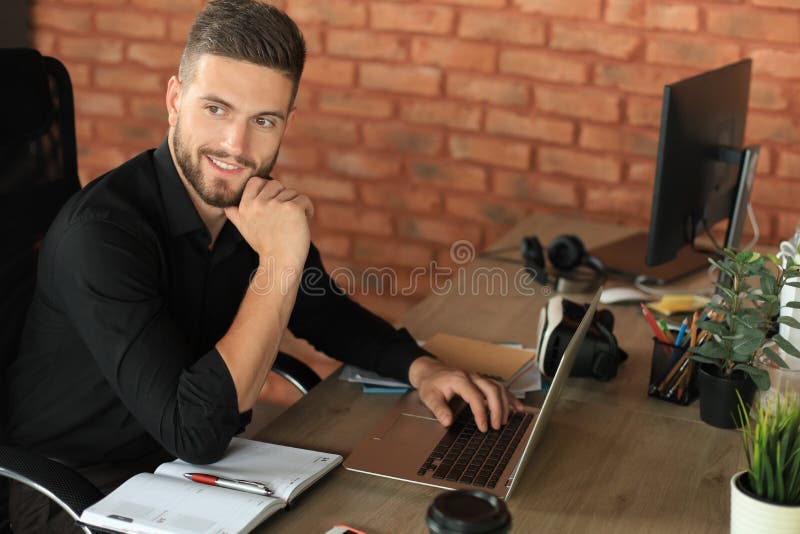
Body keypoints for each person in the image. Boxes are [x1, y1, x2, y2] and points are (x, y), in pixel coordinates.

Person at [6, 0, 521, 530]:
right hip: (70, 490)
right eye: (216, 109)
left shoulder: (253, 208)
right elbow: (196, 433)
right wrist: (279, 258)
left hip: (182, 472)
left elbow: (324, 313)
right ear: (175, 99)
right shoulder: (101, 235)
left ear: (287, 124)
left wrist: (423, 368)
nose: (236, 144)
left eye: (264, 121)